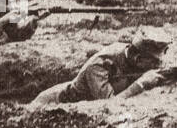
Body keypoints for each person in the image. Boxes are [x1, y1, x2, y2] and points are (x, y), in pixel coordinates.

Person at [30, 27, 172, 106]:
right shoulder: (100, 65)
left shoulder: (134, 56)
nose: (158, 65)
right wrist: (140, 85)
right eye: (154, 62)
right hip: (53, 104)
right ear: (139, 59)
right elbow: (108, 105)